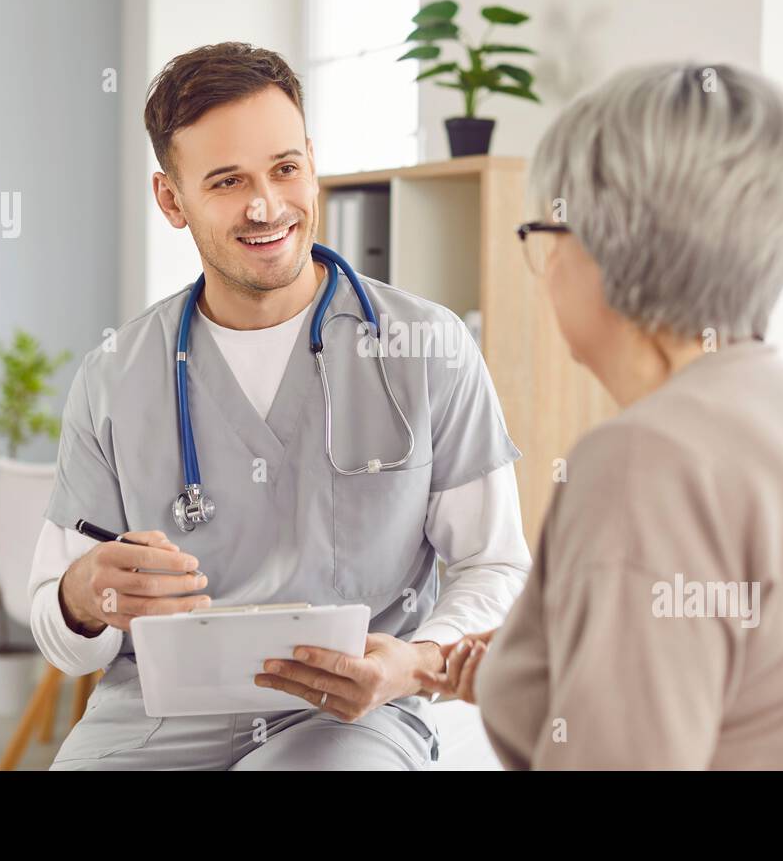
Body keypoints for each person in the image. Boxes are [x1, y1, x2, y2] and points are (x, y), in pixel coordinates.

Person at [28, 42, 531, 770]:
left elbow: (496, 566)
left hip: (349, 714)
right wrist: (81, 595)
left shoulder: (427, 347)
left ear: (312, 164)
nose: (266, 205)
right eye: (228, 181)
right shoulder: (115, 374)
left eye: (285, 168)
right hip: (156, 717)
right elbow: (61, 628)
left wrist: (413, 662)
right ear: (172, 199)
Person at [418, 63, 783, 770]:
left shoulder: (644, 463)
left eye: (547, 229)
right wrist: (535, 671)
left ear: (609, 246)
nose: (546, 261)